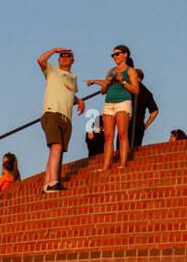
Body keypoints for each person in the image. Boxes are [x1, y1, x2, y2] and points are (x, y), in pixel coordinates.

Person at [37, 47, 84, 193]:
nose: (64, 57)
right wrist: (54, 50)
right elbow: (40, 60)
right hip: (52, 113)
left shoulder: (73, 78)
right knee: (56, 146)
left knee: (55, 149)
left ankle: (47, 184)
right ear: (58, 59)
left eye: (67, 56)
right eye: (62, 56)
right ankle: (53, 183)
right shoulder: (51, 70)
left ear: (72, 60)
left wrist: (79, 101)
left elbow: (67, 93)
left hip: (66, 117)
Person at [87, 45, 139, 172]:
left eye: (117, 54)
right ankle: (105, 166)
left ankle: (122, 163)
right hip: (109, 103)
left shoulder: (130, 71)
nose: (115, 57)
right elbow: (103, 91)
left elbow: (136, 90)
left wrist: (123, 82)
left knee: (122, 134)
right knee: (108, 136)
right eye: (113, 55)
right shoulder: (110, 70)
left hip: (123, 102)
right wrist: (108, 83)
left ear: (125, 54)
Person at [129, 70, 159, 151]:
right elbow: (155, 111)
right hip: (139, 124)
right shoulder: (147, 92)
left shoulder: (129, 88)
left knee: (121, 149)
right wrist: (145, 125)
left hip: (127, 122)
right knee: (135, 151)